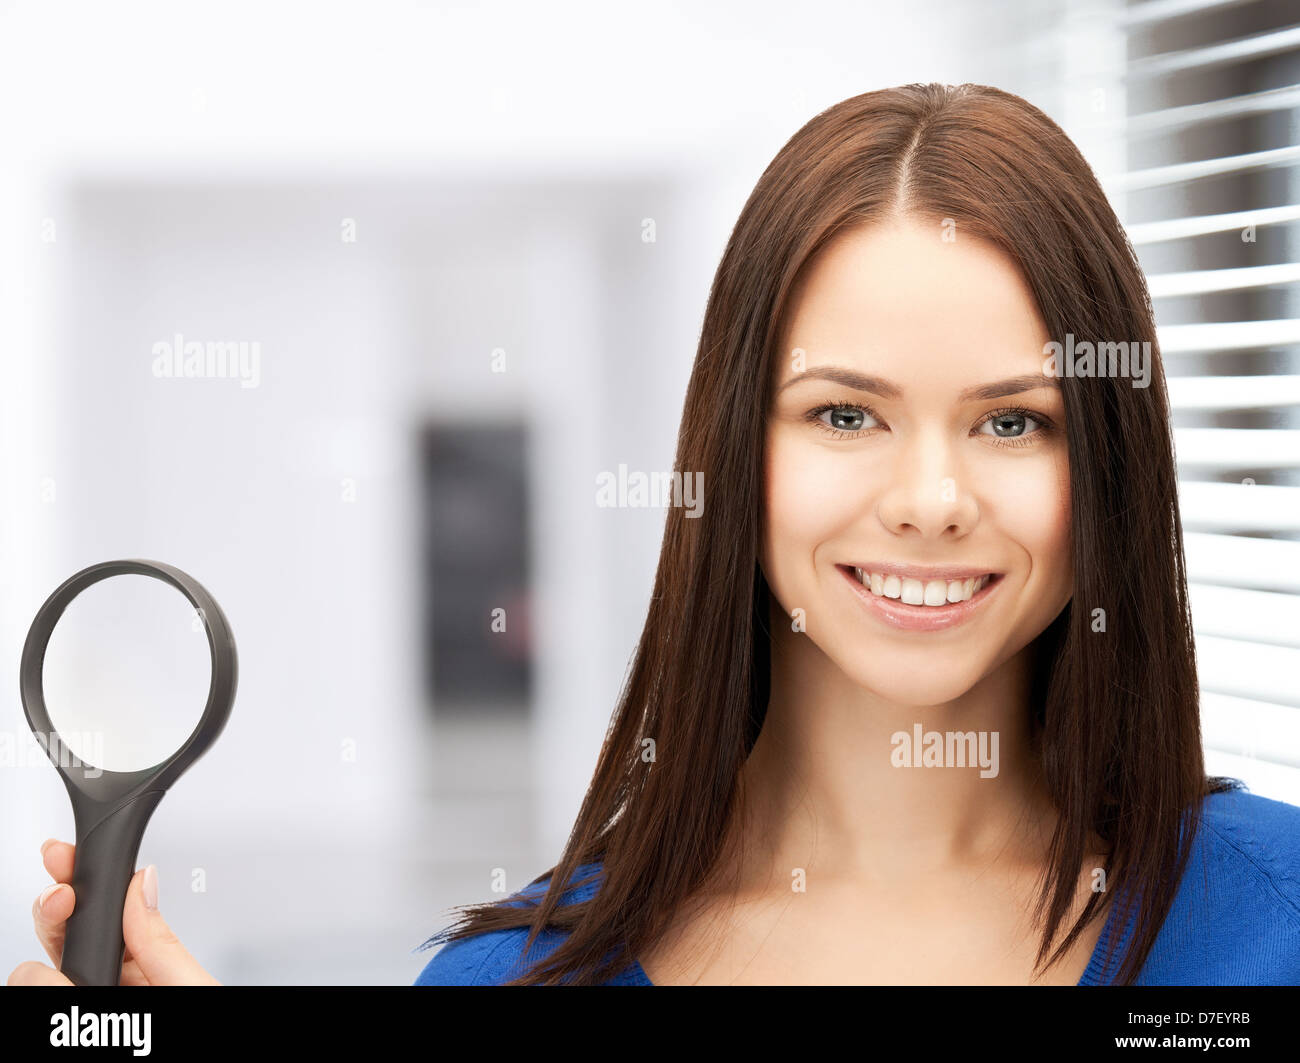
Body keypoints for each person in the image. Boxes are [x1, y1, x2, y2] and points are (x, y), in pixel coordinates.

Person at [11, 83, 1300, 987]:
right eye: (845, 413)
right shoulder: (503, 980)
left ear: (1113, 468)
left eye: (1014, 422)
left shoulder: (1277, 917)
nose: (930, 497)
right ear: (731, 453)